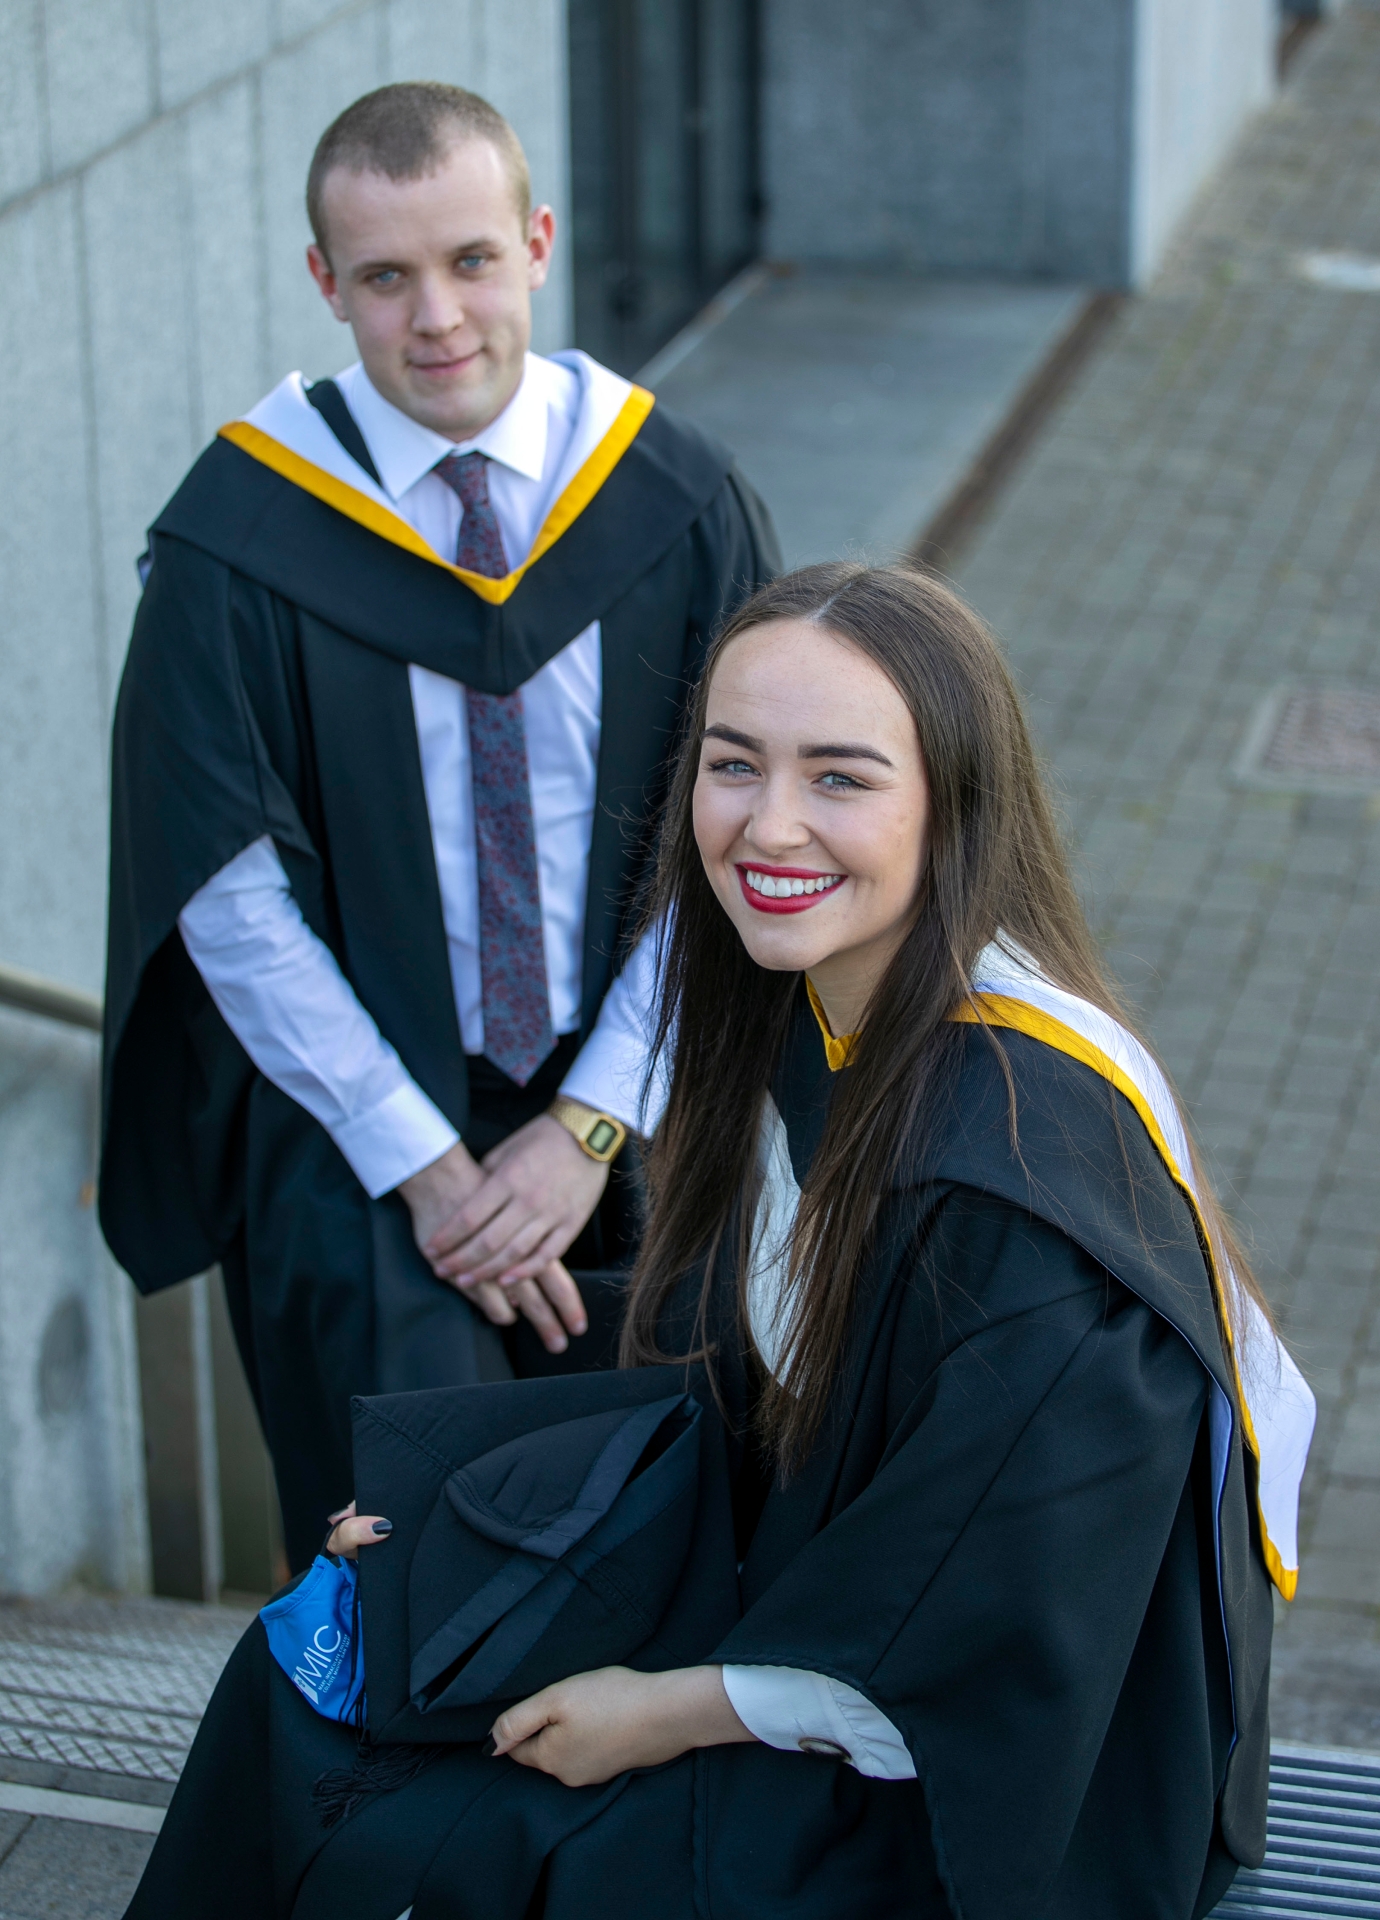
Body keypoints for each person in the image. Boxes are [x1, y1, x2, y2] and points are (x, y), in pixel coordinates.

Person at [123, 564, 1315, 1920]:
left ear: (955, 804)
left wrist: (667, 1712)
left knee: (426, 1820)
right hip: (816, 1613)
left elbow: (1000, 1606)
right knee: (313, 1662)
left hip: (984, 1785)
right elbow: (746, 1363)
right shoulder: (808, 1013)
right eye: (733, 764)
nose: (770, 825)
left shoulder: (1014, 1182)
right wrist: (442, 1518)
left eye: (843, 778)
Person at [99, 82, 779, 1570]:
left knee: (659, 1545)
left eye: (471, 260)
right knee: (396, 1571)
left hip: (637, 1103)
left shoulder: (674, 499)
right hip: (356, 1138)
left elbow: (731, 846)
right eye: (387, 277)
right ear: (323, 285)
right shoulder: (242, 536)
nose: (438, 318)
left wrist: (590, 1126)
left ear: (538, 242)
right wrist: (429, 1165)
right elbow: (223, 889)